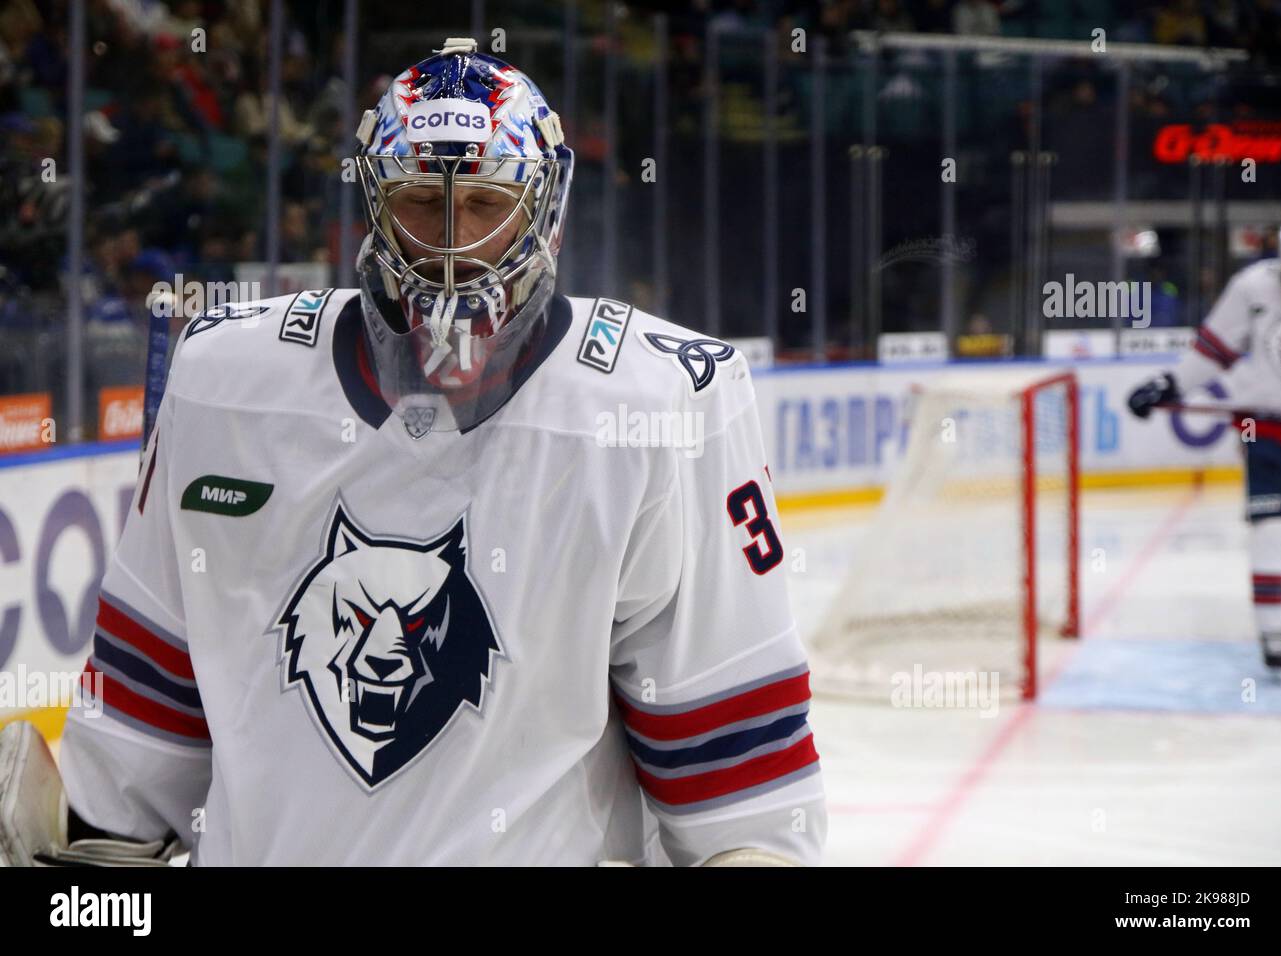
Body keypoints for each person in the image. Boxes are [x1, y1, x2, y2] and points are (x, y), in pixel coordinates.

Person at [0, 39, 825, 866]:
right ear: (373, 203)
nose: (453, 243)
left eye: (486, 203)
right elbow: (143, 737)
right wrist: (87, 846)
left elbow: (739, 793)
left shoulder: (662, 407)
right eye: (423, 202)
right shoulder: (227, 383)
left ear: (546, 209)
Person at [1128, 210, 1281, 671]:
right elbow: (1212, 353)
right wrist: (1169, 385)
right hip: (1263, 425)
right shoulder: (1252, 287)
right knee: (1273, 527)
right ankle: (1272, 633)